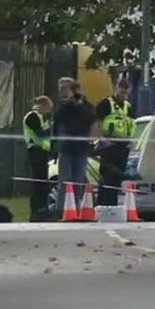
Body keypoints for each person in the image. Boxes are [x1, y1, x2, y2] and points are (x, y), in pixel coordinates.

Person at [53, 78, 96, 217]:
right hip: (66, 148)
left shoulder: (86, 105)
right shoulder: (64, 105)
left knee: (78, 181)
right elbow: (58, 117)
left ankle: (77, 209)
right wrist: (72, 103)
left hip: (81, 149)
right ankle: (61, 211)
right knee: (64, 182)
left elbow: (91, 118)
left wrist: (80, 104)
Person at [95, 78, 135, 206]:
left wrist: (131, 141)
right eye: (122, 92)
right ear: (116, 89)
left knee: (118, 178)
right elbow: (96, 122)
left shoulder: (128, 107)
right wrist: (101, 138)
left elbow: (132, 125)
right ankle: (103, 205)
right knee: (107, 178)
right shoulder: (106, 103)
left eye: (126, 93)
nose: (124, 95)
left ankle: (113, 205)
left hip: (123, 147)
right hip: (109, 146)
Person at [23, 96, 54, 222]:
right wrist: (51, 127)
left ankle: (42, 210)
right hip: (35, 151)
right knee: (38, 183)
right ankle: (36, 212)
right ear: (42, 105)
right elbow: (40, 133)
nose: (48, 111)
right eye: (48, 108)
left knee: (42, 182)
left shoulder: (41, 117)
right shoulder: (32, 116)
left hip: (42, 152)